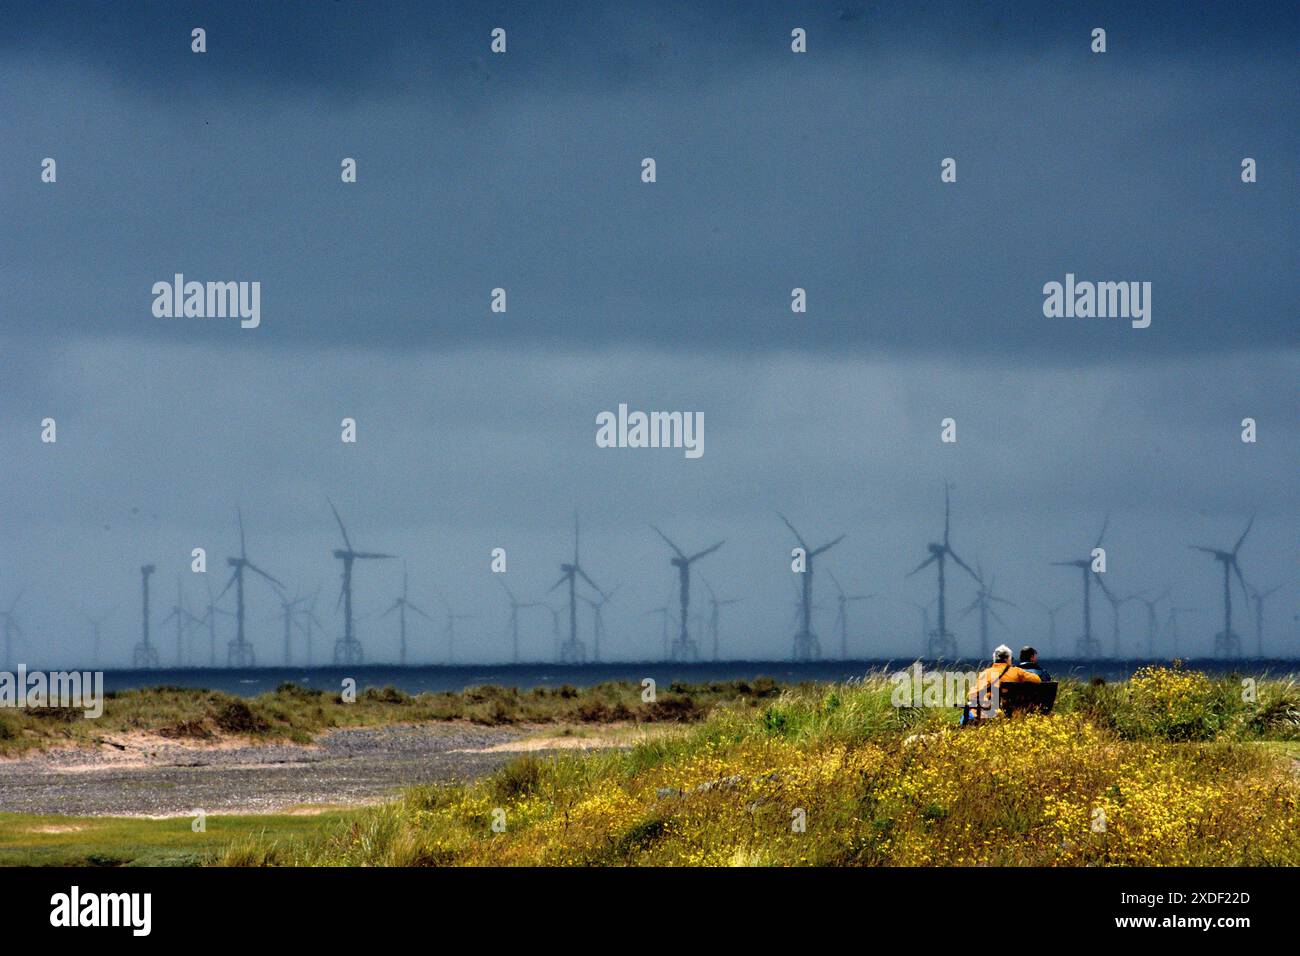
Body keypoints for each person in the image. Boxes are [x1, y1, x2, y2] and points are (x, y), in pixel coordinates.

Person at [964, 644, 1041, 723]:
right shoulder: (1017, 672)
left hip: (991, 713)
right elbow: (1037, 679)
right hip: (1013, 713)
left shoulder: (986, 673)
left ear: (994, 659)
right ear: (1008, 659)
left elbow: (972, 695)